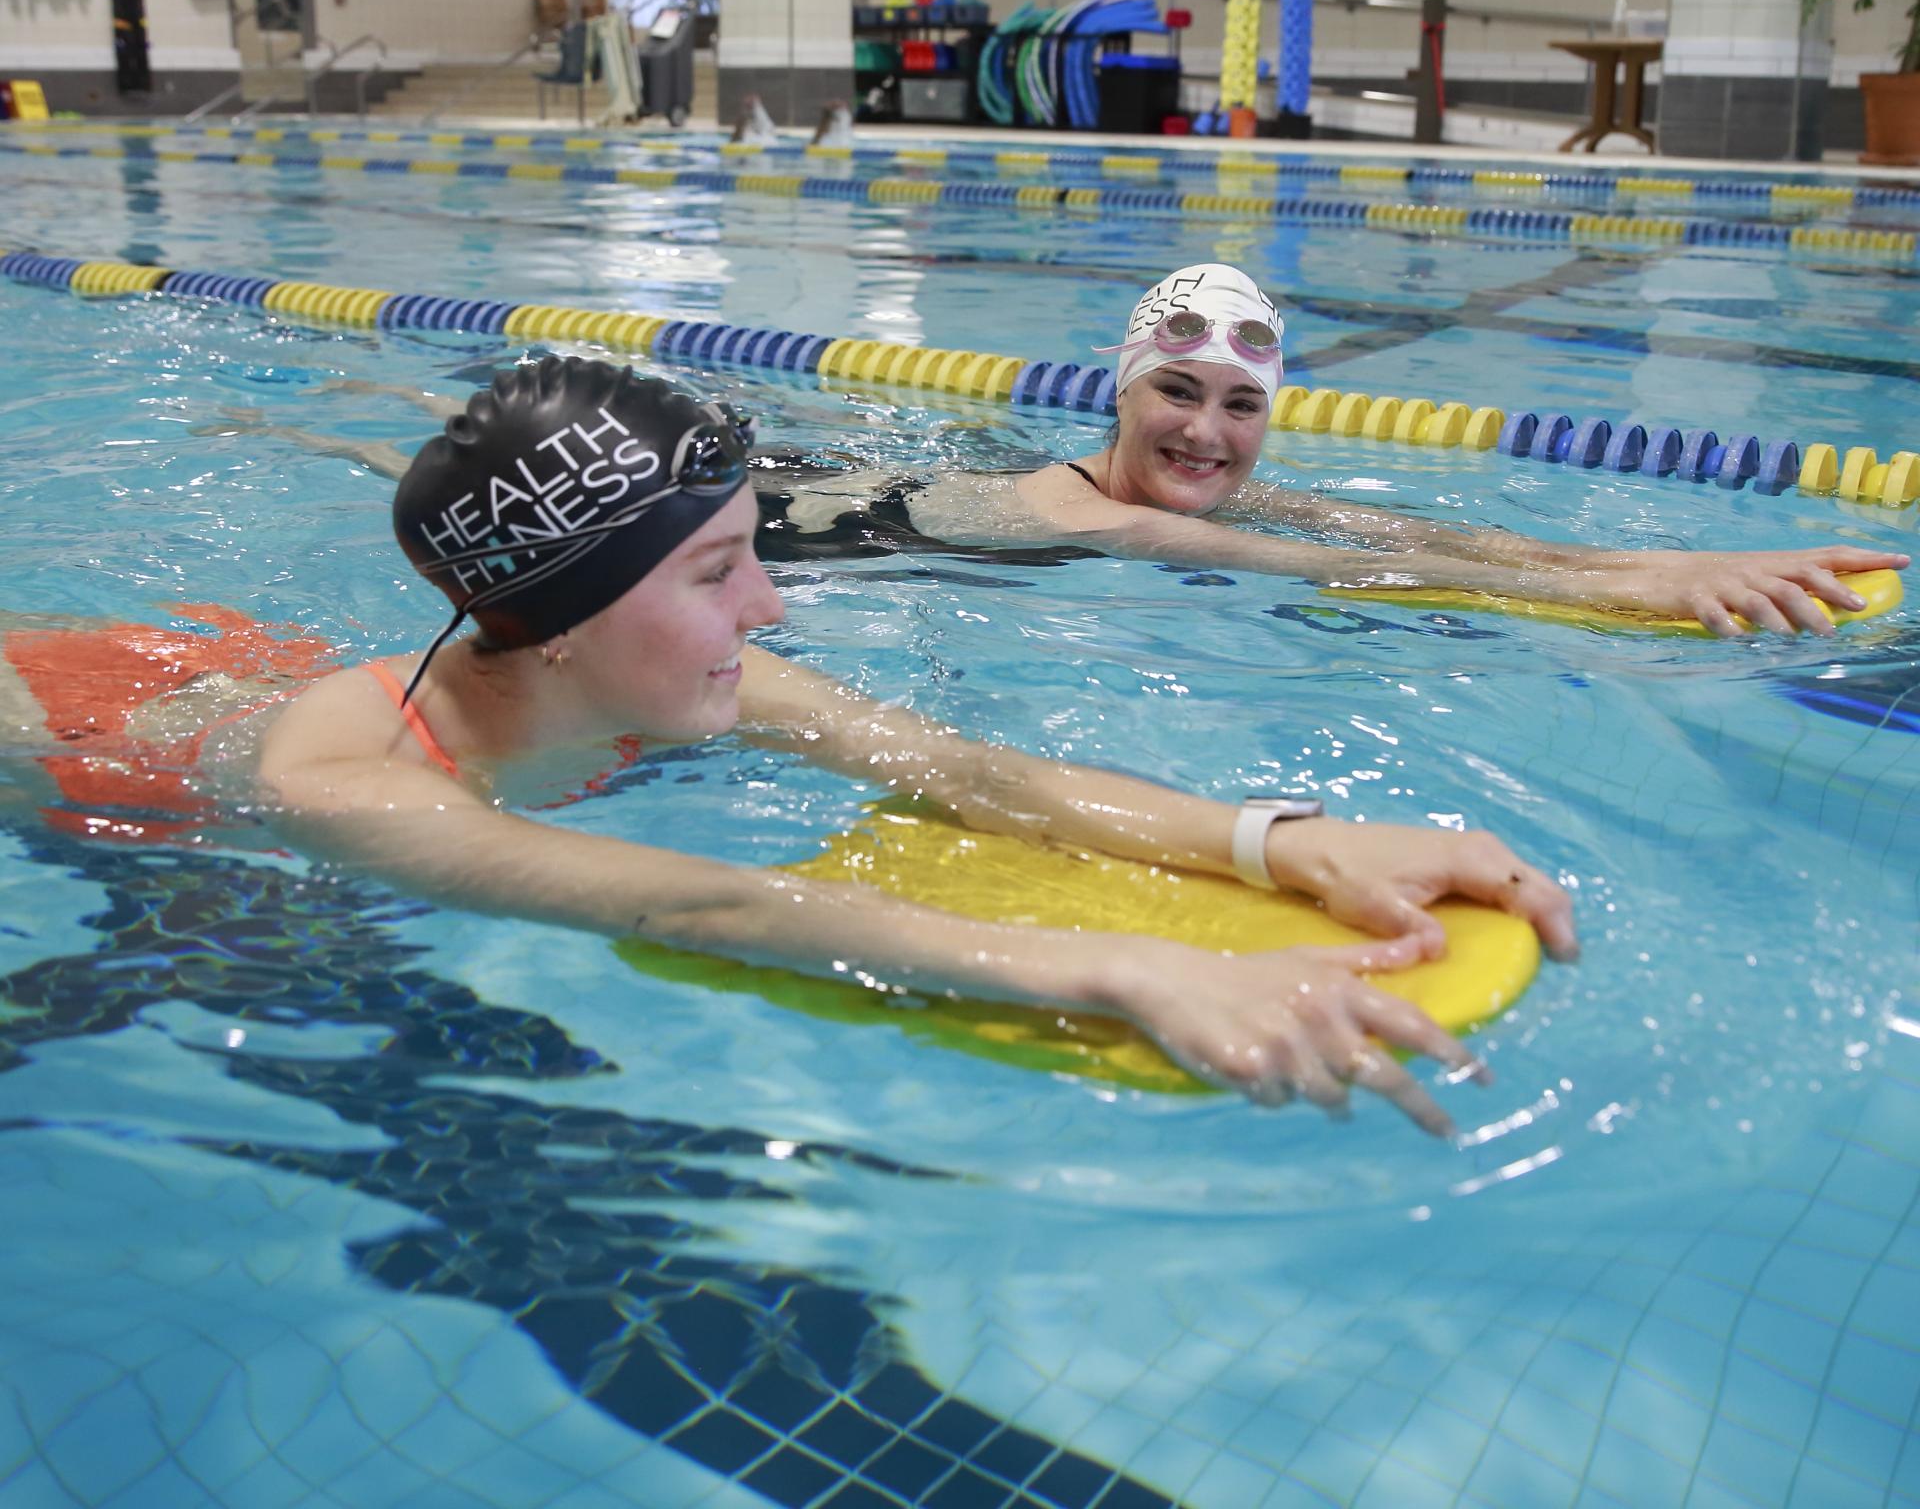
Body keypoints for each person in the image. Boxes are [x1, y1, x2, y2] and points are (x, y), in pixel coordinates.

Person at [229, 356, 1582, 1133]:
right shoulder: (344, 783)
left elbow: (975, 777)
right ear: (566, 619)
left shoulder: (649, 659)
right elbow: (702, 899)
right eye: (713, 575)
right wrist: (1131, 968)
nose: (764, 609)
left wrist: (1284, 843)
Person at [203, 266, 1907, 638]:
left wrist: (1638, 565)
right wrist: (1667, 579)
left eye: (1241, 410)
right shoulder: (1112, 520)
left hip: (822, 481)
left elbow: (1405, 532)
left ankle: (315, 400)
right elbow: (1355, 568)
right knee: (403, 458)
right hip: (769, 520)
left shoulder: (1154, 484)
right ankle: (286, 403)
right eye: (1179, 399)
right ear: (1120, 398)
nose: (1210, 438)